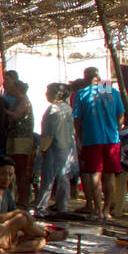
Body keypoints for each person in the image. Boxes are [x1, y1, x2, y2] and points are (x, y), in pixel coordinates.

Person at [73, 67, 125, 220]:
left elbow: (77, 120)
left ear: (85, 78)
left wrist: (81, 139)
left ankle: (97, 209)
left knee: (95, 175)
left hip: (92, 139)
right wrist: (116, 127)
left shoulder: (81, 94)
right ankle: (106, 210)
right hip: (111, 139)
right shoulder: (111, 91)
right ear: (99, 77)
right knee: (109, 175)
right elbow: (121, 115)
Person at [0, 157, 56, 252]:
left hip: (5, 233)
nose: (7, 178)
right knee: (21, 219)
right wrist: (20, 213)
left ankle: (9, 251)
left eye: (10, 175)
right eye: (3, 174)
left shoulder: (6, 192)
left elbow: (13, 215)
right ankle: (47, 234)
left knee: (40, 242)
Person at [36, 84, 75, 215]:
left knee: (48, 178)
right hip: (67, 147)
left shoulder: (53, 110)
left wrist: (43, 148)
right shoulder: (68, 109)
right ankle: (62, 205)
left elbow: (48, 132)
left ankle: (41, 206)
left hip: (53, 147)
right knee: (63, 177)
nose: (46, 94)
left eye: (48, 92)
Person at [3, 74, 35, 208]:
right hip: (13, 139)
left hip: (21, 140)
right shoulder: (15, 100)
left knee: (21, 171)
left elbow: (16, 116)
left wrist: (2, 110)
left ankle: (24, 200)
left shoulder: (23, 101)